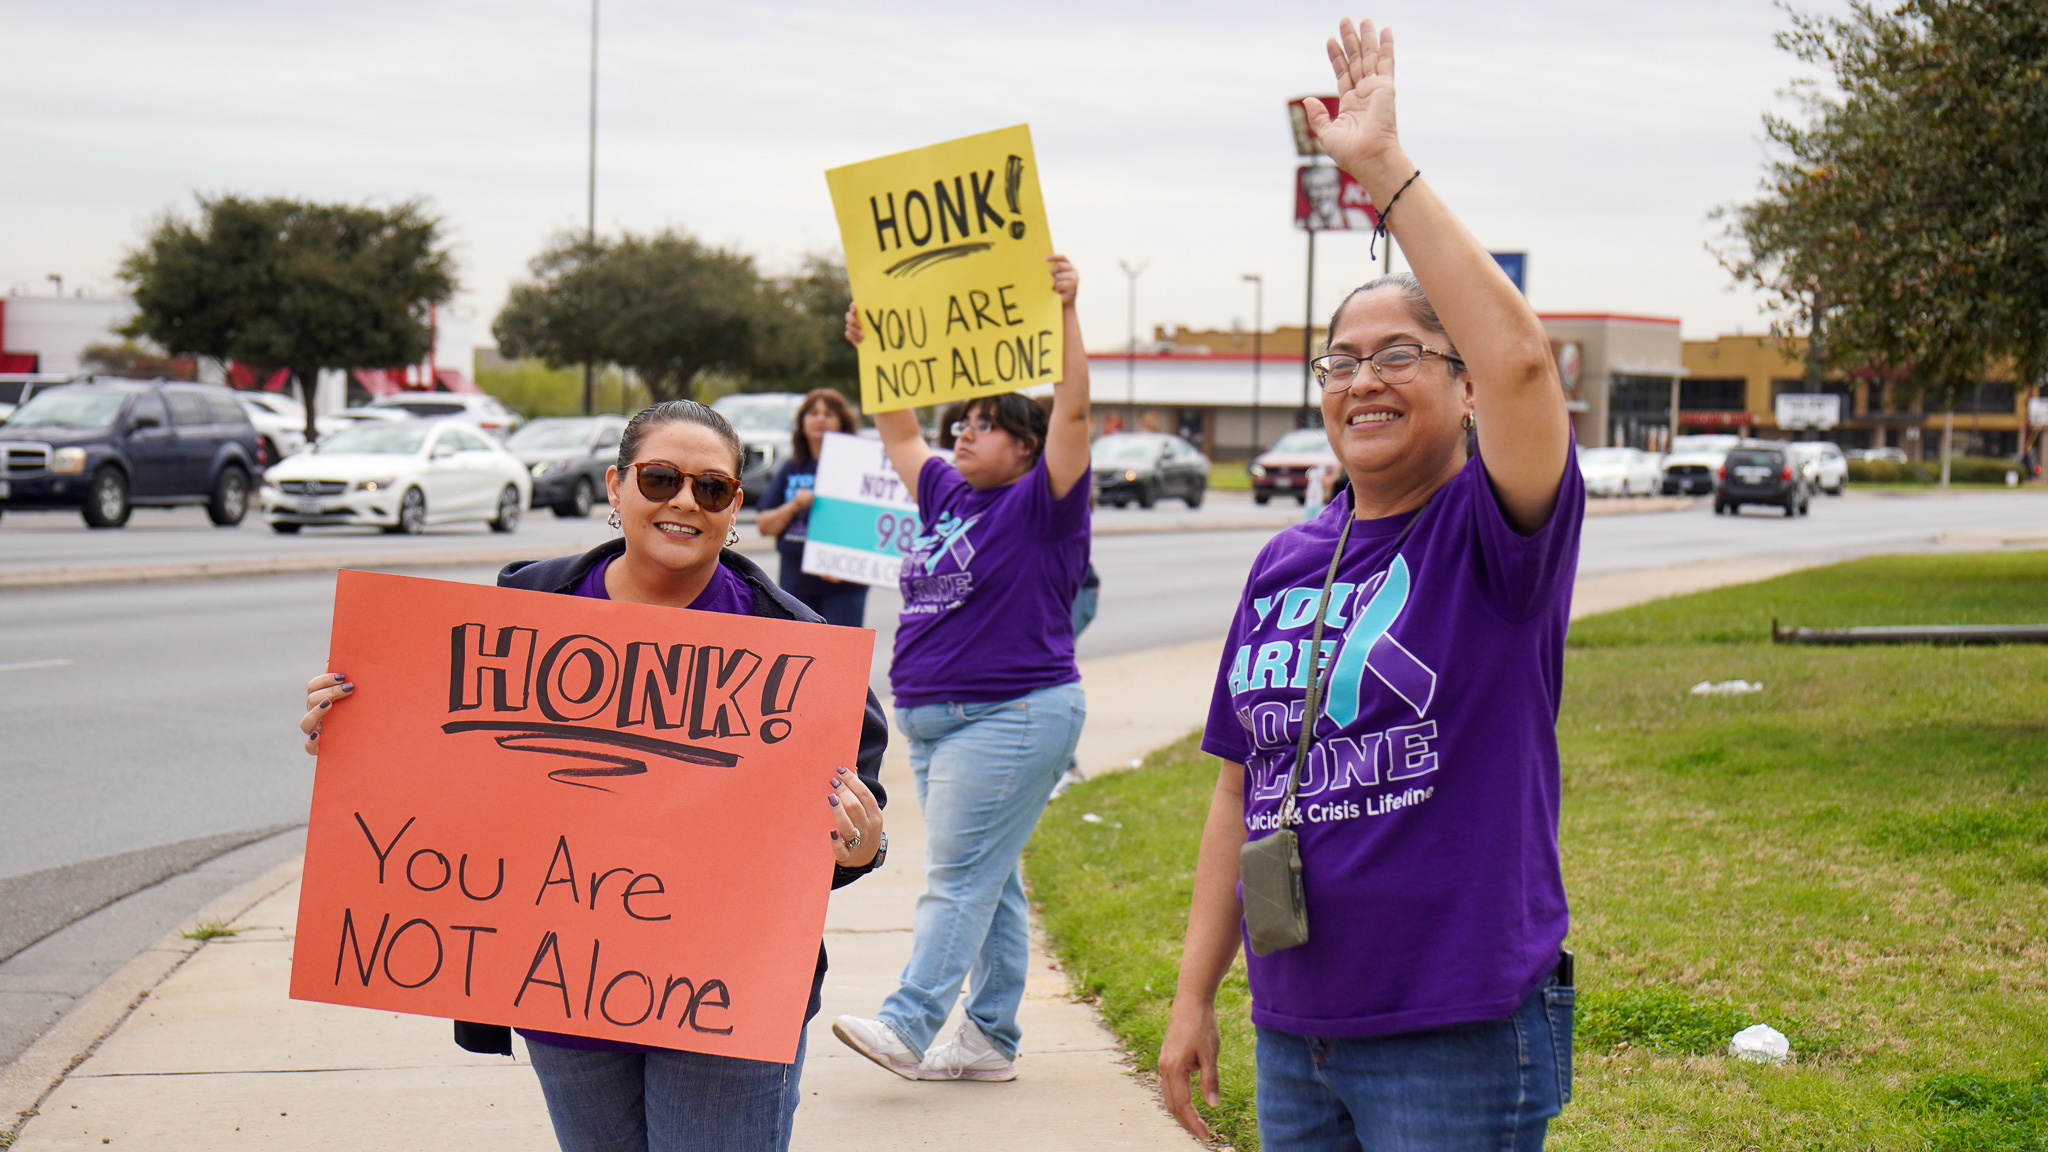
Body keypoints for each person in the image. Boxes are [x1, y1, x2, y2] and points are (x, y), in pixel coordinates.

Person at [1157, 19, 1580, 1151]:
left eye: (1399, 354)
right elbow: (1237, 788)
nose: (1363, 382)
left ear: (1463, 388)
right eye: (1341, 361)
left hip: (1455, 1026)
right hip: (1298, 1029)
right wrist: (1196, 993)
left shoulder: (1493, 537)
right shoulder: (1286, 560)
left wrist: (1382, 174)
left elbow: (1526, 360)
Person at [298, 399, 890, 1152]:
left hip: (724, 993)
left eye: (711, 488)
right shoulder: (527, 607)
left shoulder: (800, 650)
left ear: (735, 506)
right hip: (566, 987)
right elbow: (455, 778)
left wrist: (858, 848)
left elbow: (846, 839)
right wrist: (358, 741)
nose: (684, 501)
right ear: (616, 487)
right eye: (661, 478)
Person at [830, 255, 1093, 1083]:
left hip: (1011, 713)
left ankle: (910, 1025)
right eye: (964, 422)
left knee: (957, 877)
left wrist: (1068, 314)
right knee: (992, 881)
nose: (963, 434)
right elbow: (902, 432)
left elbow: (1076, 413)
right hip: (939, 723)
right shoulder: (948, 497)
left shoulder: (1043, 504)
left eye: (985, 424)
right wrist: (879, 352)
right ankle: (988, 1040)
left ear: (1025, 446)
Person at [755, 388, 870, 627]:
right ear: (802, 422)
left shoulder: (857, 468)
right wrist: (794, 505)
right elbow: (765, 525)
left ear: (842, 422)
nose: (820, 419)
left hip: (843, 585)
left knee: (840, 658)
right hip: (796, 584)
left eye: (828, 414)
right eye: (813, 413)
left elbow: (869, 527)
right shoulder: (792, 468)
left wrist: (846, 565)